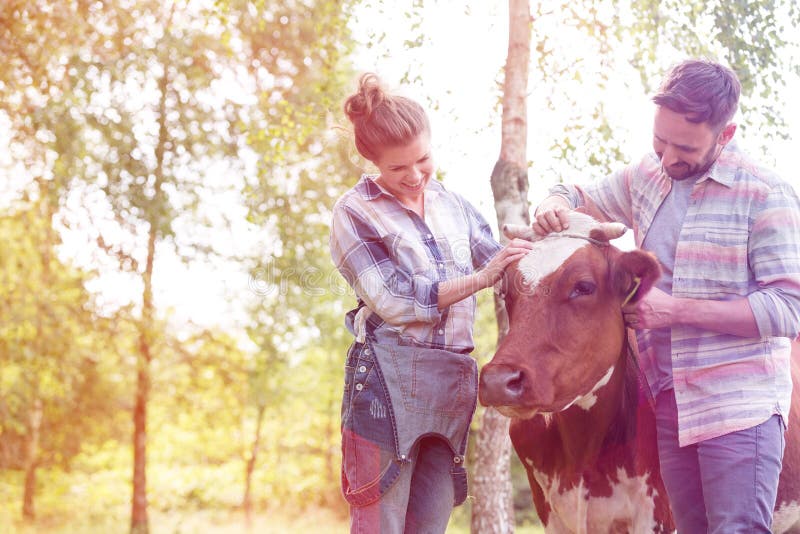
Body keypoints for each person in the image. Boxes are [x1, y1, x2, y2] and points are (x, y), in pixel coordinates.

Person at [533, 58, 800, 533]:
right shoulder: (647, 176)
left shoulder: (767, 195)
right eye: (660, 141)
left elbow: (787, 308)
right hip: (671, 403)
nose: (668, 158)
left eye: (686, 147)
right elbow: (572, 192)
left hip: (740, 406)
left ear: (726, 133)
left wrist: (673, 311)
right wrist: (553, 205)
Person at [329, 73, 533, 533]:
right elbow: (396, 300)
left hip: (449, 386)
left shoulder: (454, 205)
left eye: (424, 159)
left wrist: (547, 242)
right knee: (379, 523)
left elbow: (506, 264)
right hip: (384, 384)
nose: (416, 175)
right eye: (399, 168)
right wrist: (480, 278)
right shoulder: (353, 212)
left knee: (430, 526)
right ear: (373, 161)